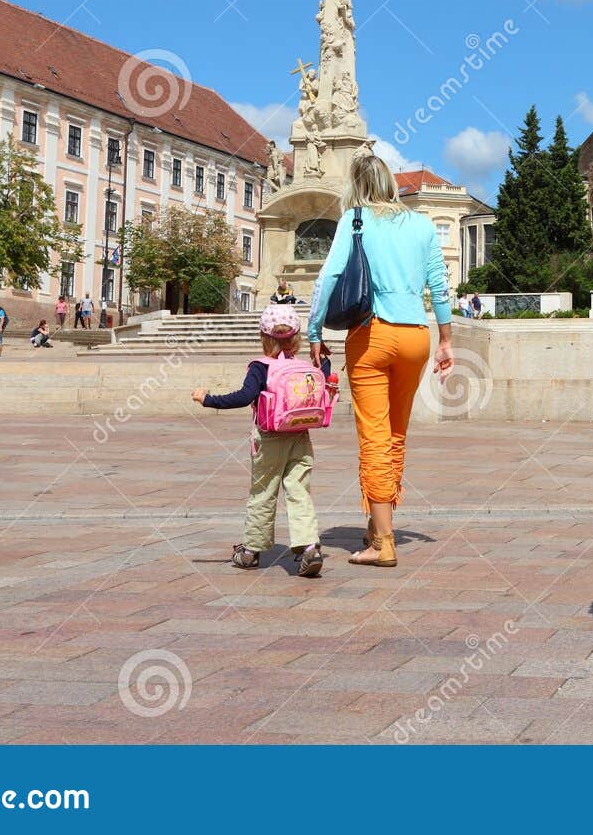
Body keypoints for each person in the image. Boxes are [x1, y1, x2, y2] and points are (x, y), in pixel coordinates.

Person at [307, 150, 452, 569]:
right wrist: (446, 339)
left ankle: (383, 543)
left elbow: (329, 276)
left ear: (355, 185)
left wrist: (314, 330)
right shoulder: (422, 225)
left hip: (371, 335)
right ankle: (378, 525)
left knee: (374, 437)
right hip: (415, 336)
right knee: (395, 435)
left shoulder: (354, 220)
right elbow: (439, 284)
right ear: (390, 182)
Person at [193, 304, 324, 579]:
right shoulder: (304, 366)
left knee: (263, 493)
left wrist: (208, 399)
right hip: (300, 436)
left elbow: (244, 397)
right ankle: (309, 546)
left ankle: (251, 550)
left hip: (268, 437)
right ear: (296, 338)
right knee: (299, 492)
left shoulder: (260, 367)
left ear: (264, 337)